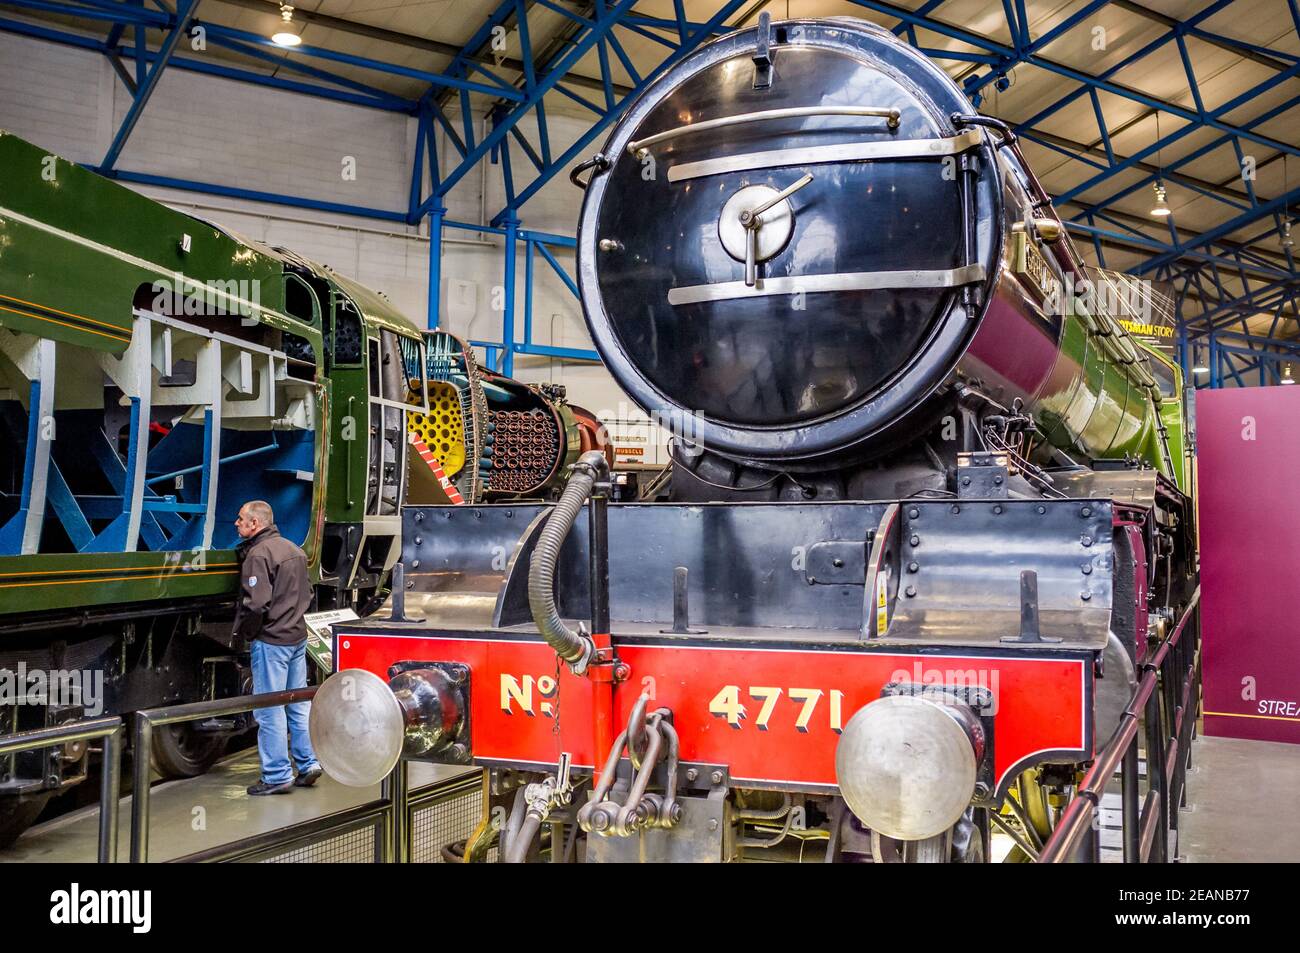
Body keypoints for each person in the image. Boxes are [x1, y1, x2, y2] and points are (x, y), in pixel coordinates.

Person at [233, 500, 322, 795]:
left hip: (272, 641)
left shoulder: (258, 555)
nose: (236, 523)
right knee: (298, 703)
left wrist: (247, 633)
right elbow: (307, 593)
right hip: (297, 637)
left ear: (255, 524)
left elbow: (256, 603)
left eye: (241, 518)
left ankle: (276, 775)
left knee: (269, 710)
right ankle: (308, 764)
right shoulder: (294, 550)